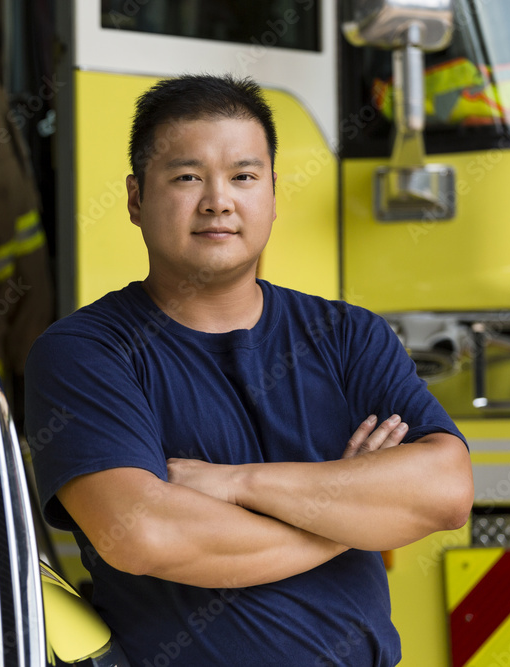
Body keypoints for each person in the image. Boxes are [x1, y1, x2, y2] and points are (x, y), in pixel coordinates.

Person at [24, 74, 473, 666]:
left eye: (244, 176)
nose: (218, 200)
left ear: (272, 195)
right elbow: (143, 534)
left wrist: (237, 483)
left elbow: (444, 492)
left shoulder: (348, 335)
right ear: (135, 199)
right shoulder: (86, 352)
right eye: (187, 177)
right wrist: (352, 516)